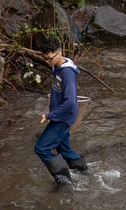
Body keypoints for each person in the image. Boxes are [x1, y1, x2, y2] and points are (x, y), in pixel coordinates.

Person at [33, 37, 87, 187]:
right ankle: (83, 173)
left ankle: (65, 183)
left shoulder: (67, 73)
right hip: (61, 114)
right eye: (45, 58)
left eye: (50, 58)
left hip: (63, 117)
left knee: (41, 148)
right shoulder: (56, 66)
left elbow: (70, 102)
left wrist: (50, 115)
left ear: (60, 53)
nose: (47, 62)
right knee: (64, 148)